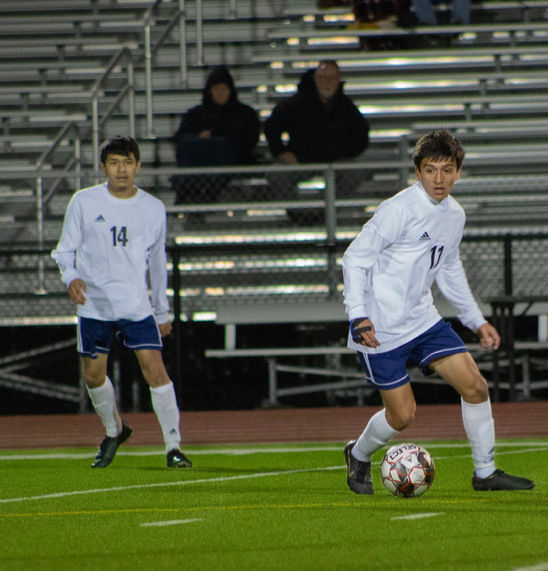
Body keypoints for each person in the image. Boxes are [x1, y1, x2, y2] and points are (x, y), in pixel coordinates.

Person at [340, 130, 534, 495]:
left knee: (475, 386)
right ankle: (359, 453)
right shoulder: (398, 210)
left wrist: (476, 320)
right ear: (418, 171)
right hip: (379, 327)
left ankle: (486, 473)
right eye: (431, 170)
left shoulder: (454, 215)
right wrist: (358, 315)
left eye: (447, 169)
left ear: (459, 171)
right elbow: (354, 258)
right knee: (402, 416)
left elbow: (447, 268)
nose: (439, 179)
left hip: (423, 321)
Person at [51, 135, 192, 470]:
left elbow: (157, 263)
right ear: (104, 167)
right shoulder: (84, 202)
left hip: (135, 306)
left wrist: (162, 310)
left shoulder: (153, 208)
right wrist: (70, 277)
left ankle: (173, 446)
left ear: (138, 165)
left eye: (127, 162)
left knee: (155, 370)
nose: (121, 169)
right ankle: (115, 430)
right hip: (95, 305)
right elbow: (64, 251)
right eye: (114, 163)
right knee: (93, 375)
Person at [264, 60, 370, 222]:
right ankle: (299, 215)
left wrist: (344, 153)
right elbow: (272, 127)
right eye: (322, 78)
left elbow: (361, 134)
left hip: (335, 163)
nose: (327, 82)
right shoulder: (295, 103)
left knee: (355, 171)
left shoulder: (346, 106)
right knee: (276, 173)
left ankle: (325, 214)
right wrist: (281, 151)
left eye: (332, 78)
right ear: (314, 79)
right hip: (301, 161)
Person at [172, 65, 260, 205]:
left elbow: (248, 139)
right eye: (216, 89)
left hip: (234, 164)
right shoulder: (195, 115)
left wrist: (216, 136)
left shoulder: (245, 114)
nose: (220, 93)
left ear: (231, 91)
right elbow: (181, 138)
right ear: (209, 91)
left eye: (224, 89)